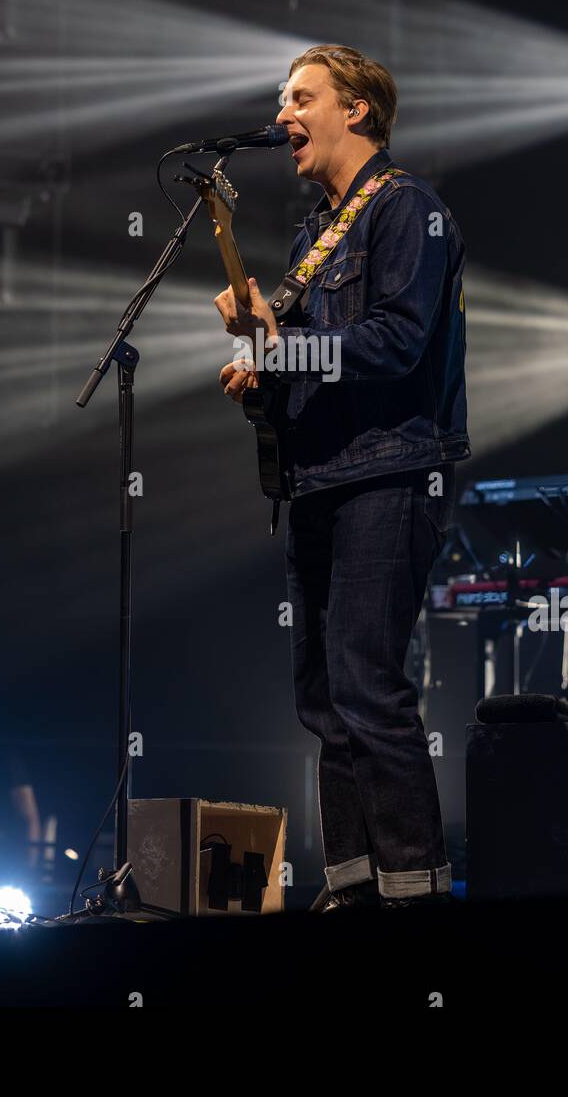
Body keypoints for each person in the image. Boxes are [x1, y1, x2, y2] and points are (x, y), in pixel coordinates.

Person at [214, 44, 469, 909]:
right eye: (280, 99)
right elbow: (312, 362)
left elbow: (398, 340)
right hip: (318, 478)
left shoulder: (407, 210)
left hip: (389, 474)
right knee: (322, 698)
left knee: (368, 684)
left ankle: (412, 891)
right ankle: (352, 886)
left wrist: (288, 348)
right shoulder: (309, 236)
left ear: (355, 109)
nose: (281, 114)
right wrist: (261, 365)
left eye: (299, 97)